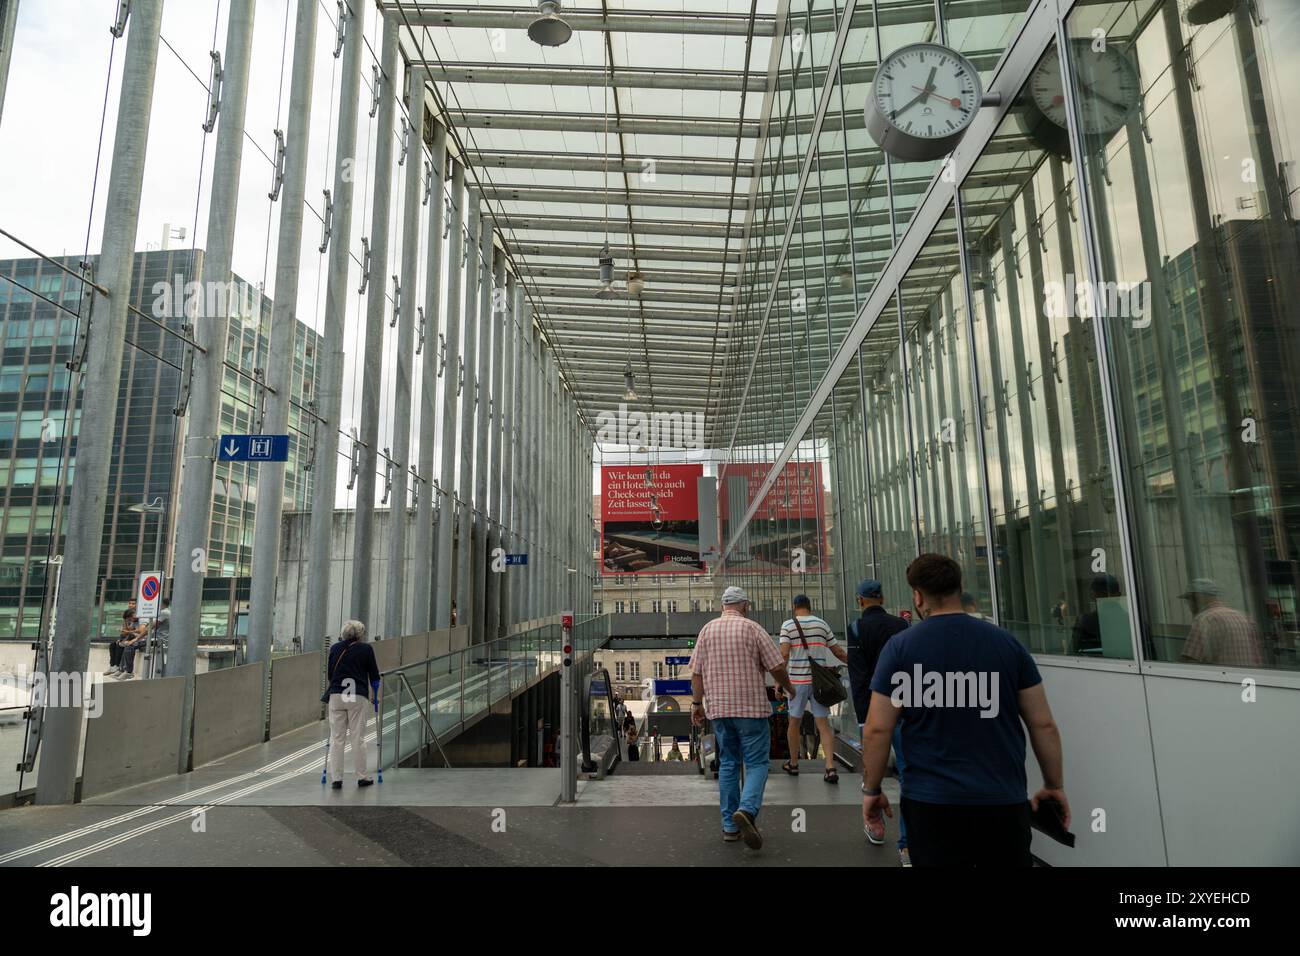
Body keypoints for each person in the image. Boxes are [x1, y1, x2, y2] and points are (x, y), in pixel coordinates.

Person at [860, 554, 1069, 867]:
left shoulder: (901, 648)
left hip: (931, 804)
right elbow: (1043, 725)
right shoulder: (1006, 644)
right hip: (1001, 800)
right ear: (960, 587)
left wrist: (872, 789)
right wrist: (1053, 785)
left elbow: (878, 728)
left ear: (917, 596)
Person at [689, 585, 795, 849]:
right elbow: (777, 666)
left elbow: (697, 673)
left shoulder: (707, 630)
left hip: (720, 711)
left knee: (728, 764)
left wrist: (695, 704)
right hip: (751, 711)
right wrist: (790, 688)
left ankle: (729, 827)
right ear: (745, 605)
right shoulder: (753, 628)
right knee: (757, 763)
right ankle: (747, 810)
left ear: (722, 606)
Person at [845, 578, 910, 860]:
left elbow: (858, 677)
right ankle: (907, 844)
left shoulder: (857, 629)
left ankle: (875, 824)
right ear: (882, 598)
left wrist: (863, 720)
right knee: (909, 776)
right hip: (904, 710)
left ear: (860, 601)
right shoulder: (902, 626)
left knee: (873, 775)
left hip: (873, 710)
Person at [778, 594, 847, 783]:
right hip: (820, 684)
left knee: (794, 723)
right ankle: (830, 767)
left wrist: (780, 682)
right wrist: (854, 664)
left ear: (794, 607)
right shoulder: (822, 624)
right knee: (823, 725)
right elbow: (838, 651)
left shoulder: (788, 625)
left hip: (796, 684)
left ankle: (793, 763)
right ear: (810, 606)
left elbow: (784, 655)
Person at [326, 620, 382, 789]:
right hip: (357, 696)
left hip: (336, 695)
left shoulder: (335, 648)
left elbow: (330, 674)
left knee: (337, 739)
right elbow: (374, 676)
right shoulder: (366, 649)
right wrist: (375, 695)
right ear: (360, 634)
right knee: (358, 738)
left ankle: (336, 779)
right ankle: (362, 776)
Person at [1179, 578, 1263, 667]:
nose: (1188, 605)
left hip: (1221, 679)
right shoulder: (1245, 618)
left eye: (1188, 599)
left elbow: (1189, 661)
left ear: (1196, 597)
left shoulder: (1204, 620)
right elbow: (1257, 660)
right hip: (1246, 678)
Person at [1071, 574, 1119, 655]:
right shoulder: (1133, 620)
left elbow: (1073, 651)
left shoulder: (1086, 621)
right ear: (1118, 595)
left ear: (1093, 595)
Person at [107, 601, 137, 675]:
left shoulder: (137, 618)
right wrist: (121, 638)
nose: (131, 605)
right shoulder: (127, 616)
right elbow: (124, 632)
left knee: (119, 645)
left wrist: (125, 633)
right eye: (130, 603)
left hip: (133, 638)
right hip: (128, 637)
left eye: (133, 604)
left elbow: (132, 632)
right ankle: (112, 666)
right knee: (112, 645)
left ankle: (117, 666)